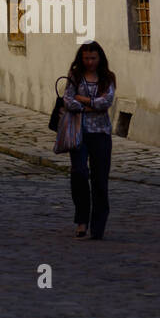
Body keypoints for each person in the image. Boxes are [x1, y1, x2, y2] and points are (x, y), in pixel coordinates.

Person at [62, 41, 116, 240]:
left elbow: (106, 101)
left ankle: (98, 226)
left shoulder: (107, 78)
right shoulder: (75, 76)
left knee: (100, 180)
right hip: (79, 132)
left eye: (93, 58)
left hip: (101, 133)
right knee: (79, 173)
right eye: (86, 58)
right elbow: (68, 99)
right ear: (81, 58)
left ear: (99, 58)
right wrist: (89, 107)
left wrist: (83, 100)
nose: (90, 62)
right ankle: (81, 220)